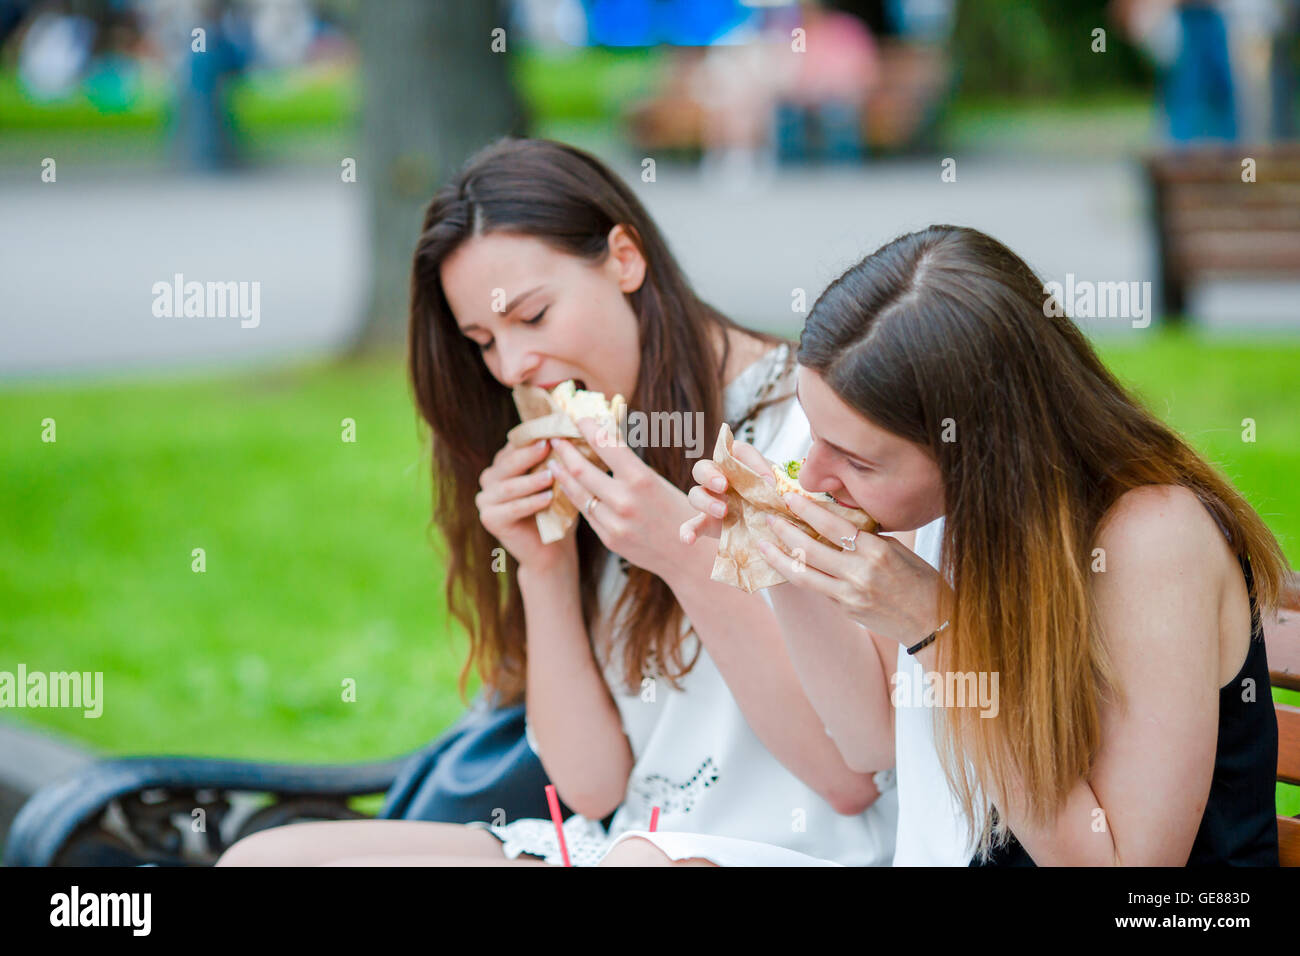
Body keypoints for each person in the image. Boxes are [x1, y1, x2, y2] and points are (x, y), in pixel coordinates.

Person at [216, 138, 897, 868]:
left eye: (532, 318)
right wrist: (540, 566)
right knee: (264, 862)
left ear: (624, 259)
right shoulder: (610, 442)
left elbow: (849, 778)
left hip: (789, 845)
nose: (511, 367)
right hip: (622, 842)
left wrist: (683, 556)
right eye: (483, 340)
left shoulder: (810, 440)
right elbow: (595, 788)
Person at [683, 224, 1288, 865]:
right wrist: (780, 551)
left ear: (977, 452)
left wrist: (937, 626)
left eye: (858, 462)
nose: (811, 475)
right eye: (814, 430)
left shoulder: (1153, 542)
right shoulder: (953, 510)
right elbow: (873, 743)